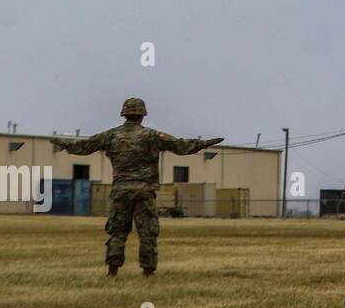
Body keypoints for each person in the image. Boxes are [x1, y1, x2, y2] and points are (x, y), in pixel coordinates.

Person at [52, 98, 223, 277]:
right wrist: (203, 144)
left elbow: (83, 147)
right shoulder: (151, 135)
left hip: (120, 190)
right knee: (147, 231)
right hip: (144, 190)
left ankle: (113, 270)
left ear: (124, 114)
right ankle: (148, 270)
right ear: (142, 115)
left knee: (117, 230)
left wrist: (63, 143)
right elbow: (180, 146)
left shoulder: (110, 136)